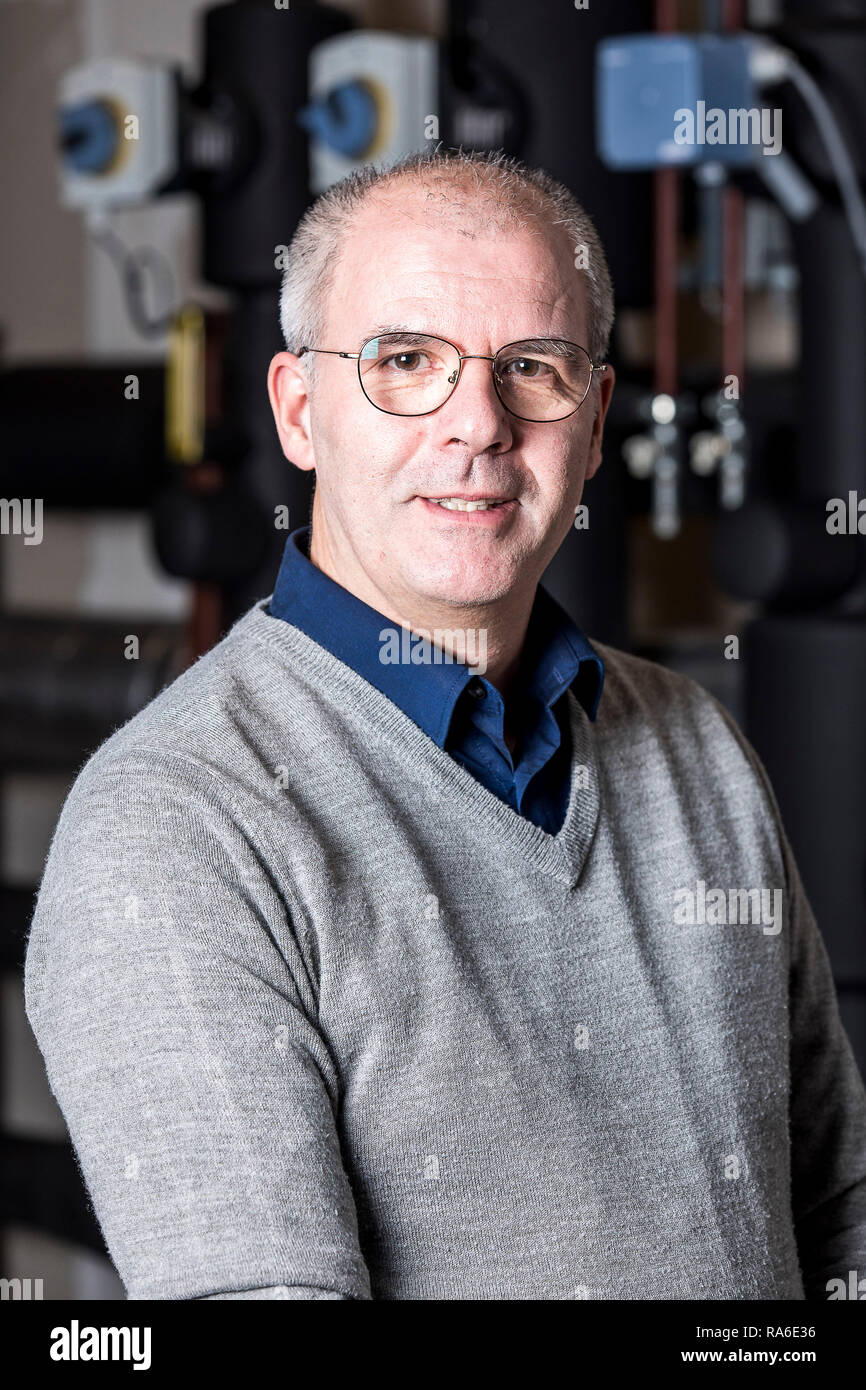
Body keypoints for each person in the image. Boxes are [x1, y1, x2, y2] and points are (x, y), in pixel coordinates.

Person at [24, 148, 866, 1300]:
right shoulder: (176, 826)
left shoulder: (692, 743)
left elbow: (835, 1211)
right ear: (299, 409)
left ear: (594, 415)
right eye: (404, 361)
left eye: (532, 366)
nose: (476, 424)